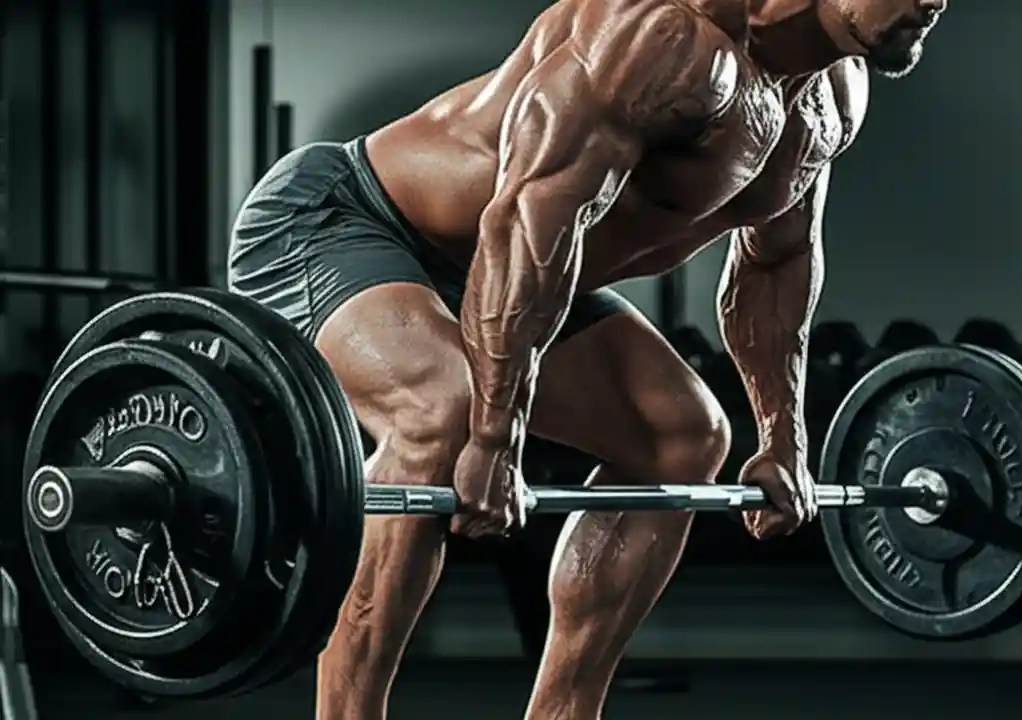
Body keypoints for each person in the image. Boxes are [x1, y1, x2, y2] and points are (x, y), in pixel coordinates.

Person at [227, 0, 947, 717]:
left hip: (516, 266)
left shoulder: (832, 97)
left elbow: (777, 262)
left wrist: (783, 435)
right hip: (347, 220)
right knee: (442, 412)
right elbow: (530, 218)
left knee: (681, 435)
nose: (935, 1)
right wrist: (495, 431)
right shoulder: (665, 40)